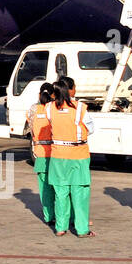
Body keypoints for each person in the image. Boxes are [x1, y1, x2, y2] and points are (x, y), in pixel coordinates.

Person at [47, 76, 95, 237]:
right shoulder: (80, 108)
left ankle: (61, 227)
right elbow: (91, 128)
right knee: (79, 193)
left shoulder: (49, 108)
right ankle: (82, 229)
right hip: (78, 154)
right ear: (70, 90)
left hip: (58, 155)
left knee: (60, 193)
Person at [28, 82, 56, 228]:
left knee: (45, 188)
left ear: (39, 95)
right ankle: (64, 217)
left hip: (40, 152)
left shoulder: (33, 109)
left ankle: (49, 216)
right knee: (59, 188)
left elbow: (31, 128)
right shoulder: (56, 108)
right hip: (57, 152)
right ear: (53, 94)